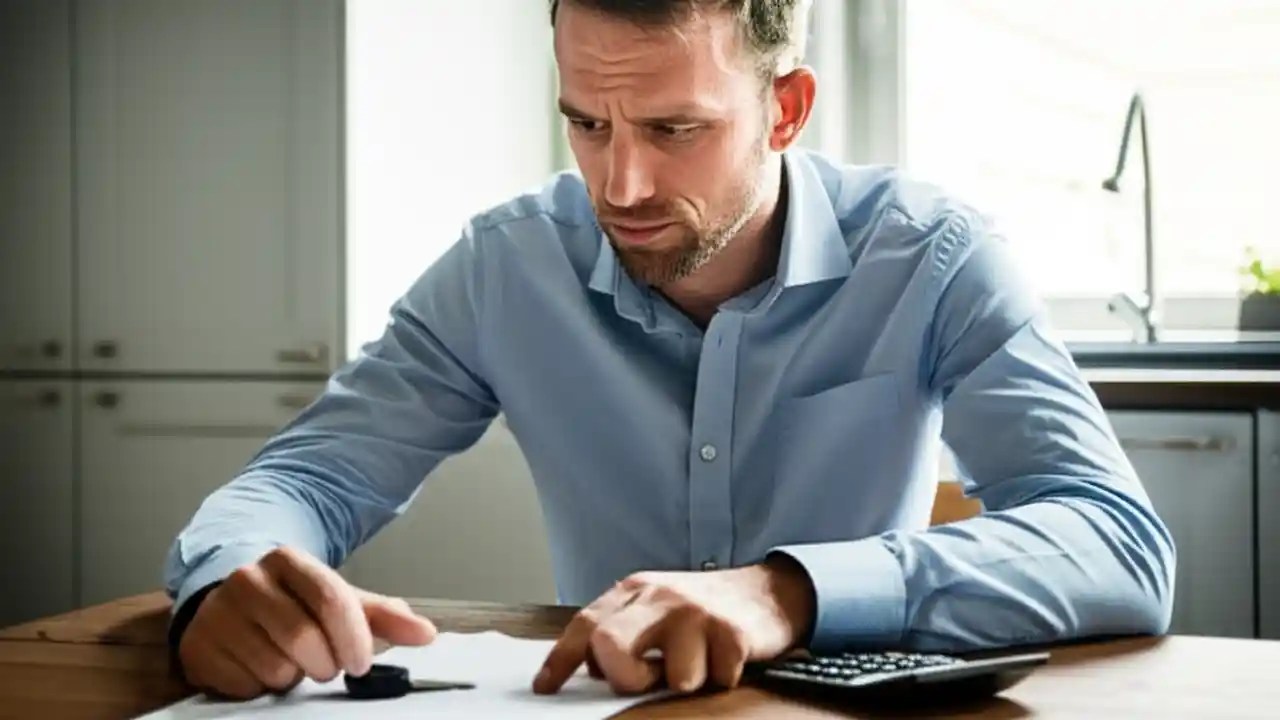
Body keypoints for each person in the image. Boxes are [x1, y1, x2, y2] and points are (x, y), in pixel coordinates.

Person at [164, 0, 1176, 701]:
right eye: (586, 123)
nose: (622, 186)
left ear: (784, 109)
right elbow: (306, 479)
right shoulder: (506, 267)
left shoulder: (934, 257)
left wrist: (785, 591)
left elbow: (1116, 545)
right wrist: (228, 581)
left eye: (674, 129)